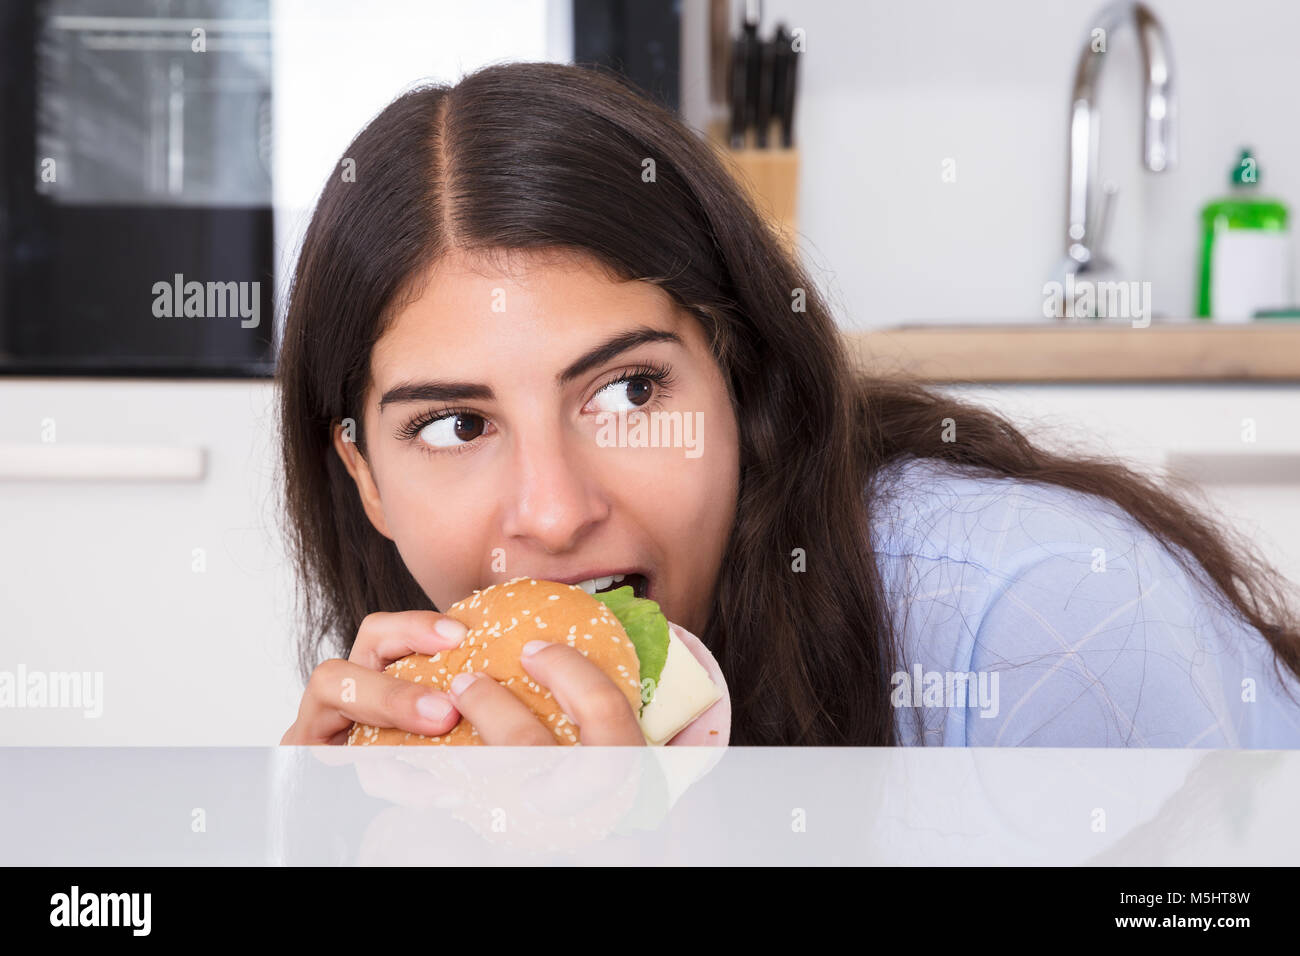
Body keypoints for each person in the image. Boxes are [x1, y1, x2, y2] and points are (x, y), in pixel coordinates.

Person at [277, 61, 1300, 747]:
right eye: (455, 425)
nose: (551, 509)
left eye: (629, 390)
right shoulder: (435, 750)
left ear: (739, 378)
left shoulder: (1023, 610)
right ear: (362, 473)